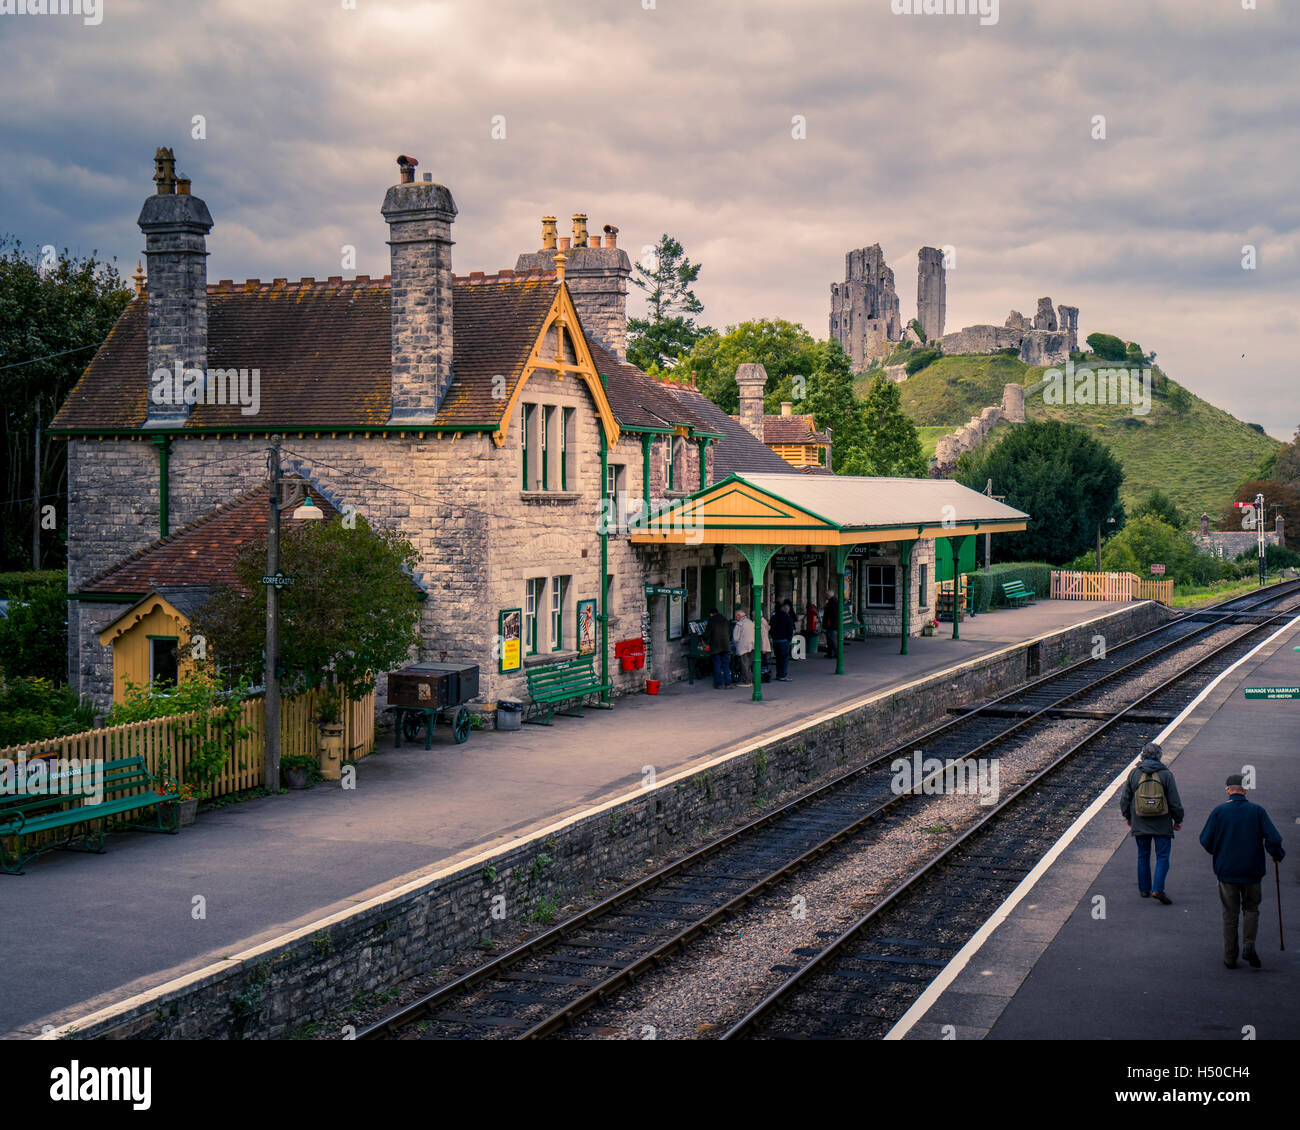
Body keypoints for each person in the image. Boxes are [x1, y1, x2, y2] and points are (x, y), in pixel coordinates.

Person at [1199, 774, 1286, 969]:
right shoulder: (1257, 811)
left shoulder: (1219, 812)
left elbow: (1205, 840)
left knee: (1230, 914)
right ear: (1245, 790)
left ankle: (1230, 957)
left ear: (1227, 790)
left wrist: (1220, 852)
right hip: (1252, 871)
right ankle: (1249, 946)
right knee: (1251, 909)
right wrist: (1277, 854)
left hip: (1226, 871)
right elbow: (1273, 839)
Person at [1118, 742, 1184, 903]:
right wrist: (1178, 819)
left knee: (1143, 855)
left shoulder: (1134, 774)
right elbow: (1174, 801)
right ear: (1159, 756)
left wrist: (1128, 817)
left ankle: (1144, 890)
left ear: (1142, 756)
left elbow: (1125, 799)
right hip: (1162, 822)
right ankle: (1158, 889)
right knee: (1162, 856)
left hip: (1140, 821)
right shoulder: (1166, 775)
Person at [705, 607, 732, 689]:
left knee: (717, 665)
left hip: (716, 646)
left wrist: (704, 639)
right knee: (726, 665)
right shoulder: (725, 620)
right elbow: (729, 632)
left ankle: (719, 684)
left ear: (711, 614)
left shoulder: (711, 620)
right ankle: (728, 683)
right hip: (725, 645)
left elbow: (707, 633)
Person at [771, 600, 795, 681]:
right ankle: (783, 675)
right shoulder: (787, 618)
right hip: (784, 640)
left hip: (775, 640)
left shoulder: (773, 617)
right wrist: (789, 639)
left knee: (778, 658)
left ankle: (779, 674)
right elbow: (790, 630)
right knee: (784, 659)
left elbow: (770, 628)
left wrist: (773, 637)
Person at [732, 605, 755, 686]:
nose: (735, 618)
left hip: (743, 647)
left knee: (744, 664)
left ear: (739, 615)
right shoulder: (750, 622)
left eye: (736, 616)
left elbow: (735, 638)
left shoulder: (739, 624)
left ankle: (747, 681)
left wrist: (735, 645)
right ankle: (751, 680)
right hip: (752, 646)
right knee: (749, 664)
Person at [823, 588, 840, 659]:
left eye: (826, 595)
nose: (825, 596)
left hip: (832, 625)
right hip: (832, 624)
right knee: (830, 639)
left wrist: (826, 607)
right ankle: (831, 653)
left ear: (829, 595)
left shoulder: (832, 603)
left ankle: (835, 654)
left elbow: (832, 614)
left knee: (832, 640)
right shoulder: (833, 602)